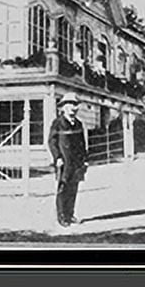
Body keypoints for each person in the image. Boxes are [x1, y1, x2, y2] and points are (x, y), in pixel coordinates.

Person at [48, 92, 88, 227]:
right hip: (64, 162)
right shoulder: (57, 123)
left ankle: (70, 214)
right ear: (64, 107)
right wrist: (57, 157)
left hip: (76, 162)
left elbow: (82, 143)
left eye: (75, 105)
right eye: (70, 105)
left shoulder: (78, 124)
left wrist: (85, 159)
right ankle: (62, 217)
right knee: (63, 188)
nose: (73, 108)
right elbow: (52, 142)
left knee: (73, 188)